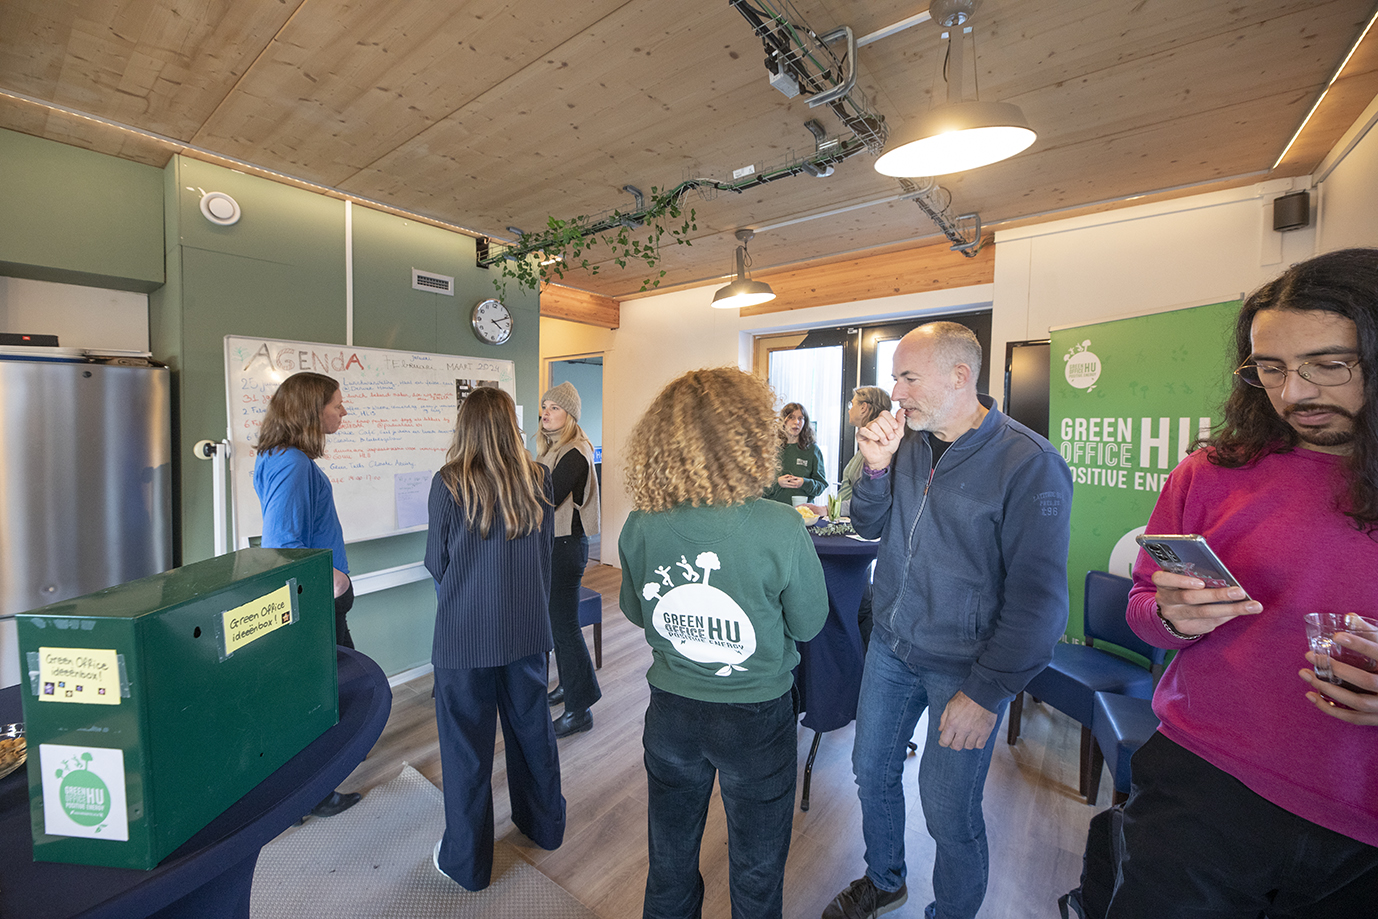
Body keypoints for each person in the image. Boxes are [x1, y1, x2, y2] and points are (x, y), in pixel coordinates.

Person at [1106, 249, 1378, 918]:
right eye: (1272, 368)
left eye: (1328, 364)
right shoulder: (1210, 472)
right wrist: (1172, 617)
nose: (1295, 394)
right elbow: (1142, 604)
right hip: (1202, 782)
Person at [823, 322, 1073, 919]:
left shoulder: (1029, 462)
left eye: (908, 377)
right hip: (892, 646)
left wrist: (986, 693)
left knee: (948, 810)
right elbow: (868, 526)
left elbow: (1038, 602)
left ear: (960, 376)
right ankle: (885, 880)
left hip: (965, 667)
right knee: (870, 772)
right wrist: (875, 468)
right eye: (895, 378)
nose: (896, 392)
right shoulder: (906, 442)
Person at [618, 368, 828, 919]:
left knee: (669, 864)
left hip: (671, 713)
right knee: (757, 874)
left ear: (661, 443)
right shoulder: (781, 526)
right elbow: (808, 625)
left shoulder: (641, 524)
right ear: (752, 439)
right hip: (756, 718)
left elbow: (637, 613)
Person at [424, 385, 565, 891]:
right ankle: (544, 826)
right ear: (511, 424)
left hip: (464, 638)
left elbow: (436, 562)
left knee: (465, 748)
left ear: (465, 426)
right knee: (533, 731)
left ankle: (467, 864)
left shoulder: (449, 482)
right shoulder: (539, 477)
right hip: (526, 630)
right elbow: (544, 557)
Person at [253, 370, 362, 819]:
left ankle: (310, 788)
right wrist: (332, 578)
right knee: (330, 693)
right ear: (313, 411)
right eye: (337, 404)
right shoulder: (294, 464)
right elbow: (282, 542)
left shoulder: (277, 456)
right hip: (316, 599)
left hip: (315, 597)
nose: (343, 411)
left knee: (330, 687)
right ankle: (314, 790)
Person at [535, 381, 603, 738]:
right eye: (544, 406)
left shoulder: (575, 452)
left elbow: (546, 495)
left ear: (570, 415)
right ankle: (569, 685)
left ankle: (580, 710)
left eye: (554, 408)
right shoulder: (552, 450)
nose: (546, 413)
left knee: (564, 627)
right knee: (558, 625)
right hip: (554, 545)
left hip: (565, 548)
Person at [836, 386, 893, 513]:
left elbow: (868, 500)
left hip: (857, 521)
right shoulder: (866, 444)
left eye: (852, 404)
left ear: (863, 407)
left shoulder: (877, 448)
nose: (849, 410)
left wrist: (828, 509)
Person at [763, 402, 828, 505]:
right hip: (773, 510)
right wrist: (777, 483)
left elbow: (821, 486)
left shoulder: (813, 450)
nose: (796, 422)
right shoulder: (770, 449)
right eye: (791, 417)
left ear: (805, 422)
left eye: (800, 418)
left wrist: (804, 483)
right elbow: (756, 487)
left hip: (802, 511)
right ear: (783, 421)